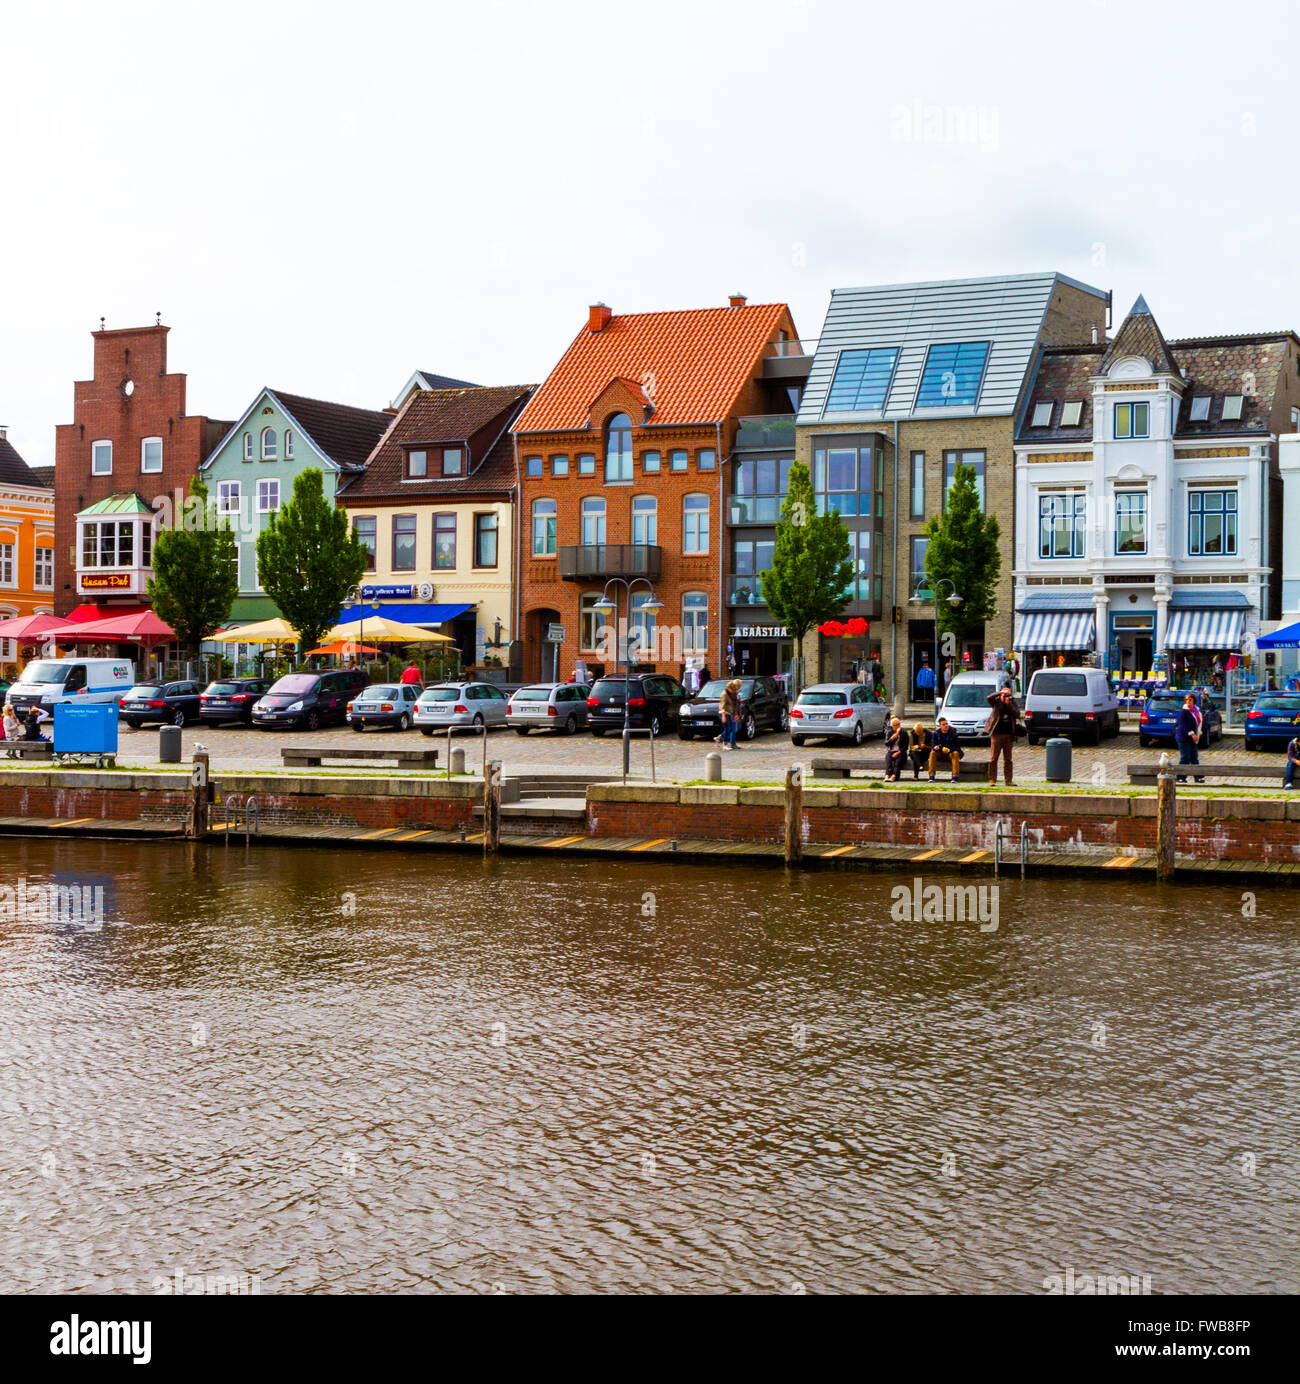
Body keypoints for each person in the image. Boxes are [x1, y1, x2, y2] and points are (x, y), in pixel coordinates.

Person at [983, 687, 1020, 787]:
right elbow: (989, 698)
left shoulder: (1012, 703)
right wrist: (1000, 693)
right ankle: (992, 779)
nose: (1007, 697)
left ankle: (1008, 780)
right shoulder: (996, 702)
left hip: (1009, 735)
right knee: (994, 758)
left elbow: (1017, 714)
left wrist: (1010, 704)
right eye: (1005, 695)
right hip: (996, 734)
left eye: (1009, 694)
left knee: (1008, 759)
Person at [1175, 692, 1203, 783]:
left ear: (1194, 700)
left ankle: (1198, 776)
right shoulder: (1184, 711)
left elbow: (1198, 723)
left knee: (1194, 757)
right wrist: (1192, 734)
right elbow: (1183, 725)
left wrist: (1199, 733)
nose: (1188, 701)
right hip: (1184, 737)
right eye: (1186, 700)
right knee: (1185, 757)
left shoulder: (1196, 710)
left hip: (1193, 738)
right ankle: (1180, 777)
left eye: (1190, 699)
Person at [928, 717, 963, 782]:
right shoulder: (936, 734)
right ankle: (931, 777)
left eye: (947, 724)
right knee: (932, 753)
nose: (946, 726)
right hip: (940, 753)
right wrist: (935, 747)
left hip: (950, 753)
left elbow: (957, 747)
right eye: (943, 724)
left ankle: (954, 777)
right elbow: (933, 744)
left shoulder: (953, 733)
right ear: (940, 726)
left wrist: (949, 750)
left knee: (955, 753)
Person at [716, 679, 742, 750]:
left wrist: (736, 713)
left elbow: (735, 704)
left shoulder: (733, 693)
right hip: (727, 713)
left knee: (733, 729)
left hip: (732, 713)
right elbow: (722, 706)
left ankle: (729, 742)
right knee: (730, 728)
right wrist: (723, 716)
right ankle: (724, 742)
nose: (735, 691)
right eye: (734, 689)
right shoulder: (725, 694)